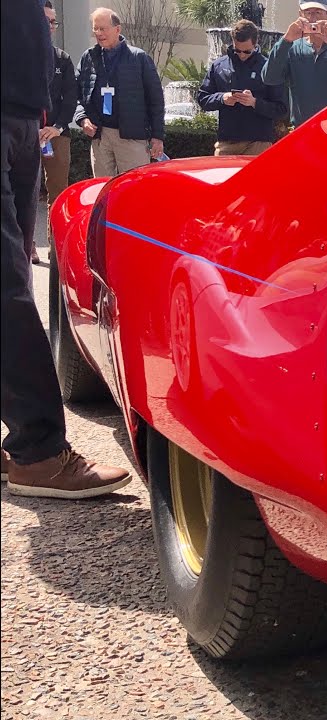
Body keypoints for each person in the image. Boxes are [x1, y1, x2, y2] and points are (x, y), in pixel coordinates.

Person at [1, 0, 132, 499]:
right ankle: (38, 452)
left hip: (19, 115)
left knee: (10, 279)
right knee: (9, 289)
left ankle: (26, 445)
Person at [73, 7, 165, 177]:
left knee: (133, 190)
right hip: (100, 135)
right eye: (95, 28)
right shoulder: (89, 57)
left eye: (103, 28)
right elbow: (76, 93)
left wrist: (157, 136)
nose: (98, 33)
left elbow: (156, 100)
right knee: (102, 189)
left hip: (132, 137)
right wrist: (82, 118)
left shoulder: (139, 58)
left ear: (117, 29)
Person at [263, 0, 327, 126]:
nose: (313, 19)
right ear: (300, 14)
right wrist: (286, 40)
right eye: (308, 13)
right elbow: (269, 78)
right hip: (302, 130)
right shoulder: (292, 47)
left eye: (318, 12)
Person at [197, 19, 288, 156]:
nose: (241, 55)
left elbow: (282, 109)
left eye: (247, 51)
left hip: (258, 142)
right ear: (232, 43)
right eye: (237, 50)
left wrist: (254, 102)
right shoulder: (219, 65)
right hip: (227, 142)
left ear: (256, 44)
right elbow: (202, 98)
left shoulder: (268, 68)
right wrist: (222, 98)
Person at [37, 0, 77, 265]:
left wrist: (57, 127)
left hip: (56, 136)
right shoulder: (17, 56)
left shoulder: (62, 58)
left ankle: (55, 246)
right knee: (22, 192)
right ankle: (25, 245)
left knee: (58, 190)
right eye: (47, 21)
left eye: (54, 22)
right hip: (25, 132)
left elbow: (70, 99)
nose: (52, 26)